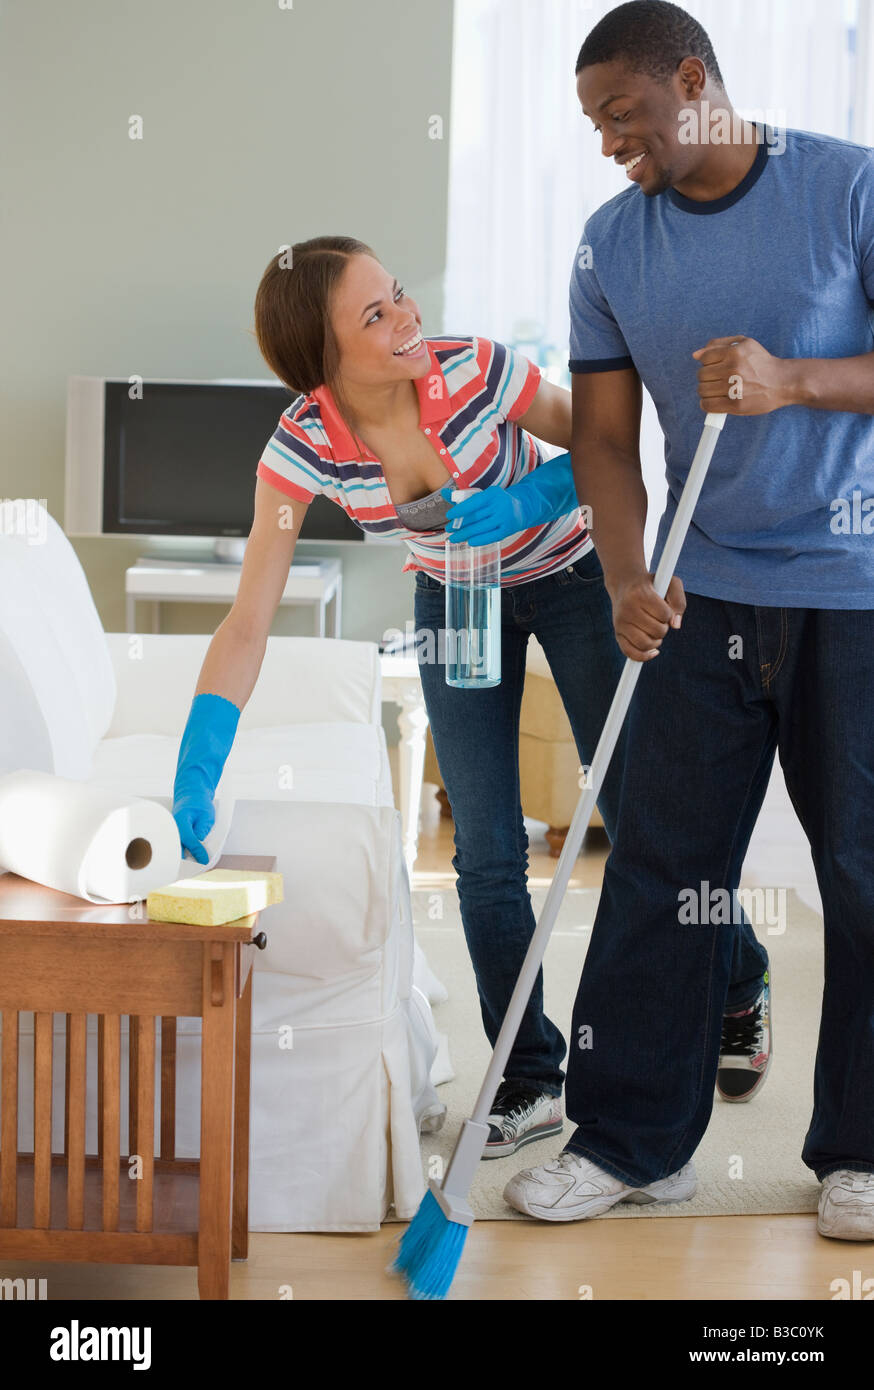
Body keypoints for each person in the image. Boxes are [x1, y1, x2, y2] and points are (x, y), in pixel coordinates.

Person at [504, 0, 874, 1240]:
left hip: (854, 590)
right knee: (661, 871)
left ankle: (862, 1154)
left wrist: (795, 380)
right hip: (697, 590)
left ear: (694, 80)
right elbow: (605, 439)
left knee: (863, 872)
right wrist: (621, 575)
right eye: (594, 124)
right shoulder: (614, 246)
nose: (611, 142)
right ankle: (629, 1144)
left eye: (625, 113)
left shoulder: (848, 190)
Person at [171, 234, 630, 1158]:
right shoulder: (304, 444)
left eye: (400, 295)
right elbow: (249, 619)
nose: (407, 318)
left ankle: (736, 973)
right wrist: (197, 760)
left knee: (638, 808)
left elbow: (605, 441)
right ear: (323, 360)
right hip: (455, 599)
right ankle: (528, 1081)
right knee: (485, 853)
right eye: (374, 315)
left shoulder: (476, 370)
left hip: (570, 577)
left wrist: (533, 494)